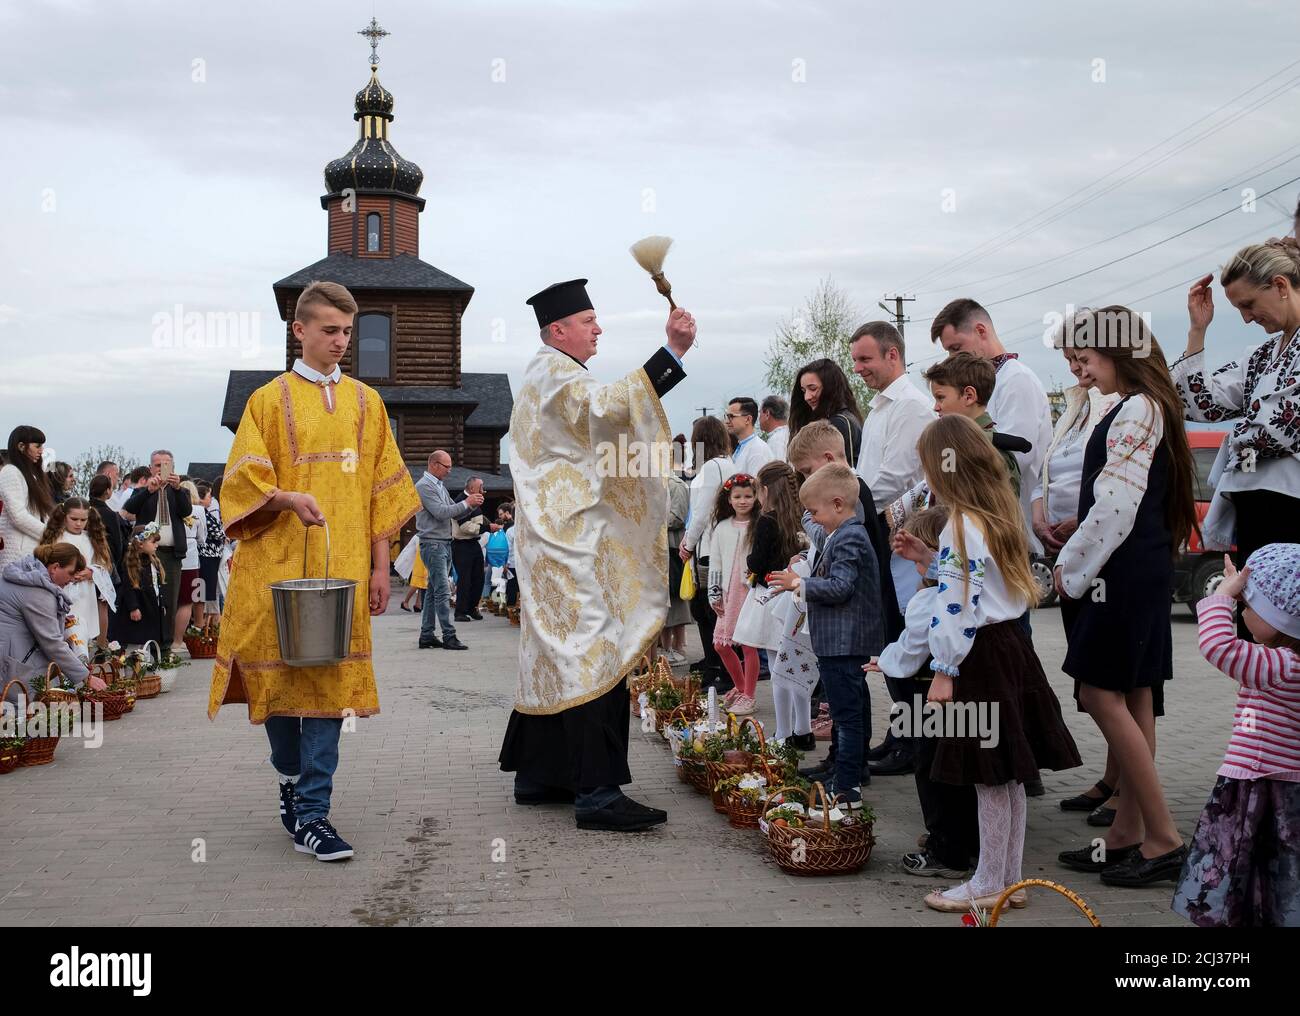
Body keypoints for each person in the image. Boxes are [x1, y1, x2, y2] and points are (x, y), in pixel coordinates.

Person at [208, 280, 421, 862]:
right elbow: (240, 484)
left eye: (347, 331)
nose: (341, 341)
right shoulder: (267, 402)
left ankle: (313, 813)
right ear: (298, 331)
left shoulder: (366, 403)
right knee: (276, 686)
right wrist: (284, 497)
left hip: (343, 569)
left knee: (328, 688)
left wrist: (383, 568)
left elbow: (383, 491)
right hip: (271, 570)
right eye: (330, 330)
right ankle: (290, 777)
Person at [499, 277, 692, 832]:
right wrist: (672, 351)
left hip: (552, 540)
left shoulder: (544, 375)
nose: (598, 329)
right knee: (596, 654)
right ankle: (597, 792)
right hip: (569, 544)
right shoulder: (558, 373)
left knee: (552, 654)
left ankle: (541, 776)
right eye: (589, 321)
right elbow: (611, 409)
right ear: (558, 330)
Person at [909, 415, 1080, 912]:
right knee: (1005, 775)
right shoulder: (997, 515)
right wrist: (930, 558)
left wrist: (943, 669)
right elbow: (979, 585)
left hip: (977, 656)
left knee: (989, 774)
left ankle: (987, 881)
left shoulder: (961, 523)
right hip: (1008, 648)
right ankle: (1008, 878)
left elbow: (958, 604)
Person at [1055, 307, 1195, 887]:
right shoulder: (1147, 406)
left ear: (1120, 354)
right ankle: (1127, 833)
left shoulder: (1137, 408)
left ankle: (1163, 837)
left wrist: (1072, 568)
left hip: (1122, 569)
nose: (1083, 370)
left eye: (1088, 358)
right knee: (1135, 692)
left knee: (1097, 690)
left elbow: (1113, 507)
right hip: (1142, 567)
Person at [1175, 239, 1300, 636]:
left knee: (1286, 631)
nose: (1246, 318)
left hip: (1291, 510)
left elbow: (1279, 427)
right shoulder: (1261, 354)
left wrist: (1238, 435)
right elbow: (1198, 405)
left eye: (1249, 305)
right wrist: (1198, 329)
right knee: (1257, 631)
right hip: (1255, 510)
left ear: (1280, 286)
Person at [1173, 545, 1300, 927]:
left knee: (1244, 866)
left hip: (1260, 786)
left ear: (1283, 620)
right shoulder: (1283, 660)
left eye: (1249, 606)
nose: (1242, 613)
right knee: (1279, 877)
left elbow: (1218, 646)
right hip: (1282, 788)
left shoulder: (1280, 665)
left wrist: (1221, 597)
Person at [1035, 332, 1123, 821]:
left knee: (1114, 677)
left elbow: (1114, 484)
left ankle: (1125, 781)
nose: (1075, 368)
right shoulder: (1077, 403)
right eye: (1069, 359)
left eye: (1082, 357)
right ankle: (1113, 777)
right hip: (1070, 548)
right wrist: (1043, 515)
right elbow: (1053, 469)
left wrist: (1080, 519)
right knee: (1093, 677)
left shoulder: (1123, 403)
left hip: (1104, 554)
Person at [869, 505, 979, 880]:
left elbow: (910, 652)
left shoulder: (925, 602)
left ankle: (945, 849)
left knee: (930, 770)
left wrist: (883, 660)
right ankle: (969, 842)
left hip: (924, 698)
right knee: (964, 771)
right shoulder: (969, 593)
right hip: (966, 697)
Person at [767, 463, 886, 808]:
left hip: (844, 641)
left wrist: (799, 584)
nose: (812, 518)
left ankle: (846, 789)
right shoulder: (841, 530)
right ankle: (845, 776)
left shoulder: (849, 535)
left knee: (846, 718)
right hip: (840, 642)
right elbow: (819, 537)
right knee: (850, 712)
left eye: (814, 511)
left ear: (837, 504)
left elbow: (841, 586)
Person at [931, 298, 1053, 553]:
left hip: (1009, 528)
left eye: (956, 347)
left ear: (981, 331)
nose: (953, 357)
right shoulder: (986, 381)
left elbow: (1014, 459)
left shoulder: (1016, 380)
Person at [735, 461, 808, 738]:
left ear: (765, 490)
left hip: (771, 595)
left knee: (778, 666)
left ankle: (783, 733)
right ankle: (804, 728)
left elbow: (758, 560)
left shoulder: (767, 521)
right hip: (797, 596)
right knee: (797, 664)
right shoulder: (802, 516)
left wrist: (750, 563)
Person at [681, 415, 736, 691]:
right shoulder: (727, 464)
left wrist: (687, 543)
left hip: (707, 549)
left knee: (706, 610)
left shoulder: (711, 468)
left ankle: (719, 670)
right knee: (711, 610)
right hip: (721, 547)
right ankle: (714, 662)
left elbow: (700, 512)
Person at [0, 543, 96, 689]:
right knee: (20, 706)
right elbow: (52, 643)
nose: (72, 579)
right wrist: (86, 677)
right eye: (71, 573)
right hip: (10, 662)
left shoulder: (25, 573)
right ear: (55, 567)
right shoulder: (39, 593)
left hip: (8, 650)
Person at [414, 450, 483, 651]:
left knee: (433, 592)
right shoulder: (424, 486)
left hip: (441, 543)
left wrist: (471, 506)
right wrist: (467, 503)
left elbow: (454, 509)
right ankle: (449, 635)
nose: (450, 471)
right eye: (447, 466)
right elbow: (442, 513)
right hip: (433, 543)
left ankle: (427, 635)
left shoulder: (437, 485)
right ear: (434, 465)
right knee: (442, 591)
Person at [123, 450, 192, 646]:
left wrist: (177, 488)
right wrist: (148, 491)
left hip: (171, 553)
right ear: (151, 468)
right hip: (146, 553)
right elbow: (130, 508)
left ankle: (166, 644)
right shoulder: (144, 489)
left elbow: (186, 510)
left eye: (166, 465)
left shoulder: (180, 490)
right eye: (157, 465)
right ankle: (147, 643)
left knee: (170, 600)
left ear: (173, 467)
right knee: (147, 598)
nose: (161, 469)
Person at [707, 473, 760, 715]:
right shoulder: (721, 528)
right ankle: (740, 687)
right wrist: (714, 593)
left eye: (748, 496)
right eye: (737, 496)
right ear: (728, 499)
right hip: (728, 591)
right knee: (721, 644)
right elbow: (715, 562)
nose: (743, 501)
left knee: (749, 644)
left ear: (756, 497)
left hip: (749, 589)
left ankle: (749, 694)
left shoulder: (760, 525)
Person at [37, 498, 114, 658]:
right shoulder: (56, 538)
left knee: (83, 635)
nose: (79, 523)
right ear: (64, 516)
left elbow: (103, 566)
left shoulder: (92, 539)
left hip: (85, 594)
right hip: (63, 592)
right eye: (74, 519)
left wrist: (91, 572)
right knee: (65, 633)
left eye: (83, 520)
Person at [788, 358, 864, 464]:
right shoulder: (846, 418)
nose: (807, 397)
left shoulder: (838, 424)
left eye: (813, 389)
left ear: (830, 387)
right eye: (804, 391)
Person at [0, 426, 54, 570]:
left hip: (35, 549)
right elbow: (18, 516)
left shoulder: (34, 476)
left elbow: (42, 514)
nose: (41, 450)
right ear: (21, 446)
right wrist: (50, 533)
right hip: (17, 554)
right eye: (37, 446)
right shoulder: (10, 472)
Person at [109, 523, 168, 652]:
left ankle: (146, 664)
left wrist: (162, 604)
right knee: (136, 641)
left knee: (149, 640)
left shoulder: (153, 561)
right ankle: (133, 665)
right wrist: (133, 607)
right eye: (153, 542)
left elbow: (158, 586)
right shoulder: (131, 563)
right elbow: (128, 587)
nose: (157, 545)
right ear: (141, 544)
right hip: (139, 607)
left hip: (151, 606)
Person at [660, 468, 692, 664]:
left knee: (677, 600)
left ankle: (678, 647)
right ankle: (666, 647)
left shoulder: (676, 485)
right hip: (660, 549)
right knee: (664, 602)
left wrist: (653, 520)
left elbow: (678, 517)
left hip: (672, 548)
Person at [172, 479, 205, 653]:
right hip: (191, 556)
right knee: (186, 601)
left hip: (172, 552)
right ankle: (177, 640)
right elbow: (202, 536)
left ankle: (170, 637)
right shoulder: (199, 510)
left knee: (172, 599)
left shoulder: (172, 506)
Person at [451, 476, 489, 623]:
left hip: (474, 543)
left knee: (479, 577)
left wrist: (486, 526)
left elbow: (476, 522)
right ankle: (460, 612)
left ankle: (472, 607)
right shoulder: (460, 500)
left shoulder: (476, 501)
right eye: (481, 486)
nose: (483, 489)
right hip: (461, 544)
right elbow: (464, 527)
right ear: (472, 488)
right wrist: (487, 528)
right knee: (465, 579)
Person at [194, 481, 226, 627]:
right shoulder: (203, 514)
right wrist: (226, 532)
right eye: (209, 496)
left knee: (211, 590)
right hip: (208, 556)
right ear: (201, 498)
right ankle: (204, 625)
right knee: (207, 590)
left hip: (212, 556)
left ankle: (208, 624)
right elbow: (217, 532)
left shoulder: (205, 513)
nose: (211, 499)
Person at [725, 396, 774, 476]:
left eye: (731, 417)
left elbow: (755, 486)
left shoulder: (758, 450)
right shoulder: (743, 446)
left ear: (748, 419)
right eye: (727, 417)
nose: (727, 421)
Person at [758, 395, 790, 461]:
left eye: (760, 413)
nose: (759, 418)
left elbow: (779, 469)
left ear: (767, 414)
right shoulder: (790, 432)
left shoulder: (776, 441)